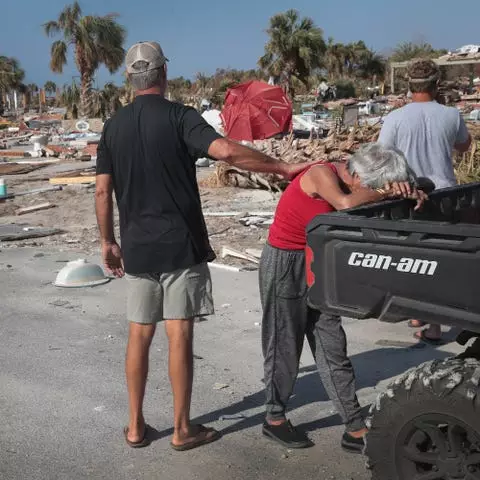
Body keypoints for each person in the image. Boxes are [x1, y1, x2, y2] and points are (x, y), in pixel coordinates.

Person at [95, 41, 306, 451]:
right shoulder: (180, 117)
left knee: (138, 336)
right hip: (180, 247)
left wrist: (108, 241)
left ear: (130, 79)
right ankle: (181, 429)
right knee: (180, 337)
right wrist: (280, 167)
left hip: (137, 248)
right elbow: (224, 150)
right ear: (164, 75)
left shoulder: (112, 126)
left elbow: (103, 192)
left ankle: (136, 427)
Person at [260, 143, 426, 452]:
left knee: (332, 344)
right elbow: (346, 204)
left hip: (319, 261)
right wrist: (386, 193)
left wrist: (410, 191)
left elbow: (418, 187)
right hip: (285, 261)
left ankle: (353, 426)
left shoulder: (358, 182)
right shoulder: (321, 173)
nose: (377, 191)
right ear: (356, 175)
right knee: (284, 341)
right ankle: (274, 417)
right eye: (374, 185)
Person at [379, 58, 472, 344]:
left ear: (409, 85)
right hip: (445, 197)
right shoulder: (450, 115)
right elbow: (464, 144)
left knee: (410, 258)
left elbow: (383, 156)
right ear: (437, 84)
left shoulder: (396, 118)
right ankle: (430, 321)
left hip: (407, 197)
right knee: (437, 260)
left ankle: (420, 317)